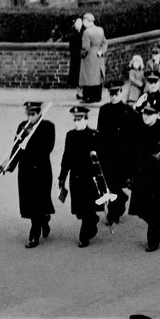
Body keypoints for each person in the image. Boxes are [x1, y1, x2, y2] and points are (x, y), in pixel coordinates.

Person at [7, 101, 55, 248]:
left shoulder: (48, 127)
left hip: (41, 170)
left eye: (33, 114)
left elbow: (47, 148)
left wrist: (30, 139)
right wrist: (10, 165)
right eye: (28, 114)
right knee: (30, 202)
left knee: (39, 201)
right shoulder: (23, 126)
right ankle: (44, 220)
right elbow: (17, 147)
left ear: (39, 113)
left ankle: (34, 234)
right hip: (26, 170)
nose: (30, 117)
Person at [57, 106, 103, 247]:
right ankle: (93, 219)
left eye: (80, 118)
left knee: (87, 206)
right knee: (79, 210)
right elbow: (66, 158)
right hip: (75, 177)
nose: (77, 122)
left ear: (86, 119)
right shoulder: (70, 135)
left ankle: (84, 236)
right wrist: (62, 177)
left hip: (89, 178)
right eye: (75, 119)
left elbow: (100, 159)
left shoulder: (93, 135)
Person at [97, 81, 136, 226]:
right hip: (108, 153)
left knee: (117, 183)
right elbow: (100, 131)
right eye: (111, 94)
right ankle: (114, 213)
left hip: (122, 155)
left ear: (121, 92)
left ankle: (117, 206)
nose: (114, 96)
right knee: (110, 184)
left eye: (116, 93)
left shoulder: (127, 110)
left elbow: (132, 135)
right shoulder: (104, 110)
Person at [129, 102, 160, 252]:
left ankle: (153, 240)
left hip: (156, 174)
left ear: (157, 115)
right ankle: (153, 226)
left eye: (150, 114)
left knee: (155, 210)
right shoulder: (139, 127)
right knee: (141, 208)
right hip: (141, 172)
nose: (146, 116)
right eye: (144, 113)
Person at [80, 13, 108, 103]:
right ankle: (97, 97)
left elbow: (86, 47)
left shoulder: (86, 32)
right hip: (98, 56)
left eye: (84, 21)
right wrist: (102, 51)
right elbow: (105, 43)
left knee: (88, 77)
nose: (83, 23)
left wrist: (81, 55)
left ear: (88, 21)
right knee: (97, 77)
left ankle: (88, 97)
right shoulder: (100, 30)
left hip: (89, 57)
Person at [68, 16, 84, 91]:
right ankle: (79, 91)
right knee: (78, 75)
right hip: (77, 57)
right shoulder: (75, 34)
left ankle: (79, 91)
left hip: (77, 56)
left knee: (78, 75)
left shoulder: (76, 32)